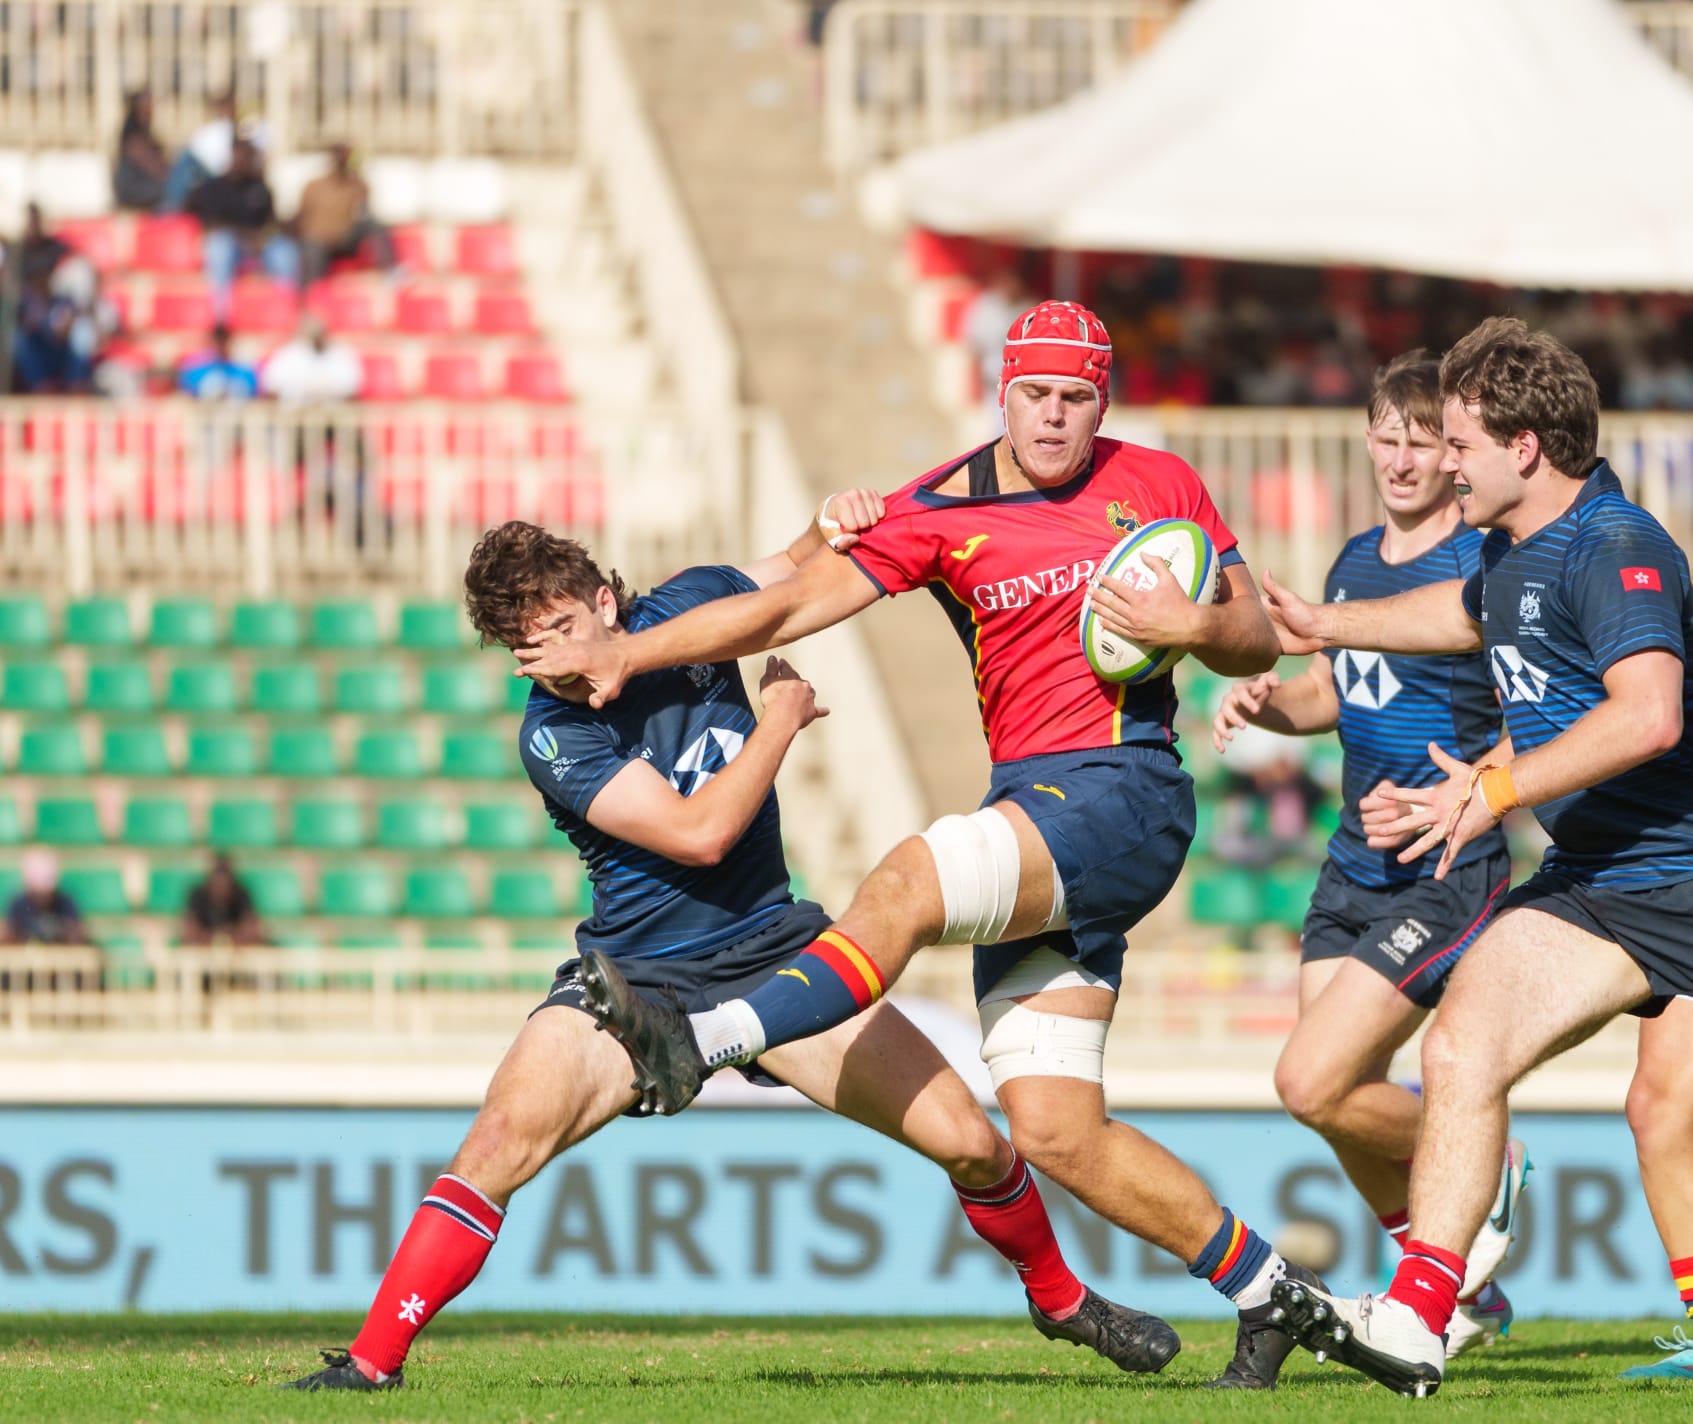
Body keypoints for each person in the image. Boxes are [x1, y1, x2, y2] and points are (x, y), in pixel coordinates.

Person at [515, 299, 1327, 1391]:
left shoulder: (1160, 484)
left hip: (1123, 794)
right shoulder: (942, 505)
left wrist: (1192, 628)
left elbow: (1251, 636)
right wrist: (631, 651)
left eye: (1076, 397)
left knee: (905, 876)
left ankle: (703, 1039)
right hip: (1034, 809)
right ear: (1002, 393)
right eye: (1035, 394)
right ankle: (1272, 1293)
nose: (1053, 416)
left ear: (1103, 399)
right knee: (1052, 1128)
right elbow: (785, 608)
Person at [283, 505, 1179, 1391]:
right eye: (527, 649)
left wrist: (845, 518)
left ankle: (1059, 1303)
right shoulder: (554, 732)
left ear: (606, 602)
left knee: (972, 1146)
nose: (551, 660)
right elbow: (701, 834)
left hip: (777, 955)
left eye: (560, 629)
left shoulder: (694, 608)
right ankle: (369, 1365)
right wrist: (781, 718)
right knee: (497, 1143)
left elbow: (795, 566)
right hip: (638, 979)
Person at [1259, 316, 1693, 1394]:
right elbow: (1456, 618)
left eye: (1456, 441)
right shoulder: (1505, 550)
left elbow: (1648, 717)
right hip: (1604, 876)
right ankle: (1417, 1316)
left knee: (1665, 1110)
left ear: (1524, 448)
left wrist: (1492, 783)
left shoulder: (1616, 546)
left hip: (1685, 869)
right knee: (1461, 1046)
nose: (1443, 461)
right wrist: (1325, 619)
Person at [1211, 351, 1524, 1360]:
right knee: (1338, 1104)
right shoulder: (1352, 562)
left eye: (1421, 439)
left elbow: (1539, 715)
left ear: (1453, 453)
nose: (1398, 456)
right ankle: (1460, 1288)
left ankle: (1492, 1156)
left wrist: (1456, 795)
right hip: (1351, 864)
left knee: (1311, 1080)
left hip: (1443, 863)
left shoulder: (1483, 568)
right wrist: (1270, 702)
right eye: (1384, 434)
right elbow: (1340, 695)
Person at [186, 137, 299, 320]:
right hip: (231, 246)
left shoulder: (259, 187)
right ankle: (220, 316)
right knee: (219, 246)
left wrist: (264, 237)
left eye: (251, 156)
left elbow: (271, 223)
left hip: (258, 246)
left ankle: (285, 313)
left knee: (284, 250)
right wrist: (244, 236)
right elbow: (211, 224)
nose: (248, 160)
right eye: (244, 155)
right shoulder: (213, 187)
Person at [295, 142, 398, 288]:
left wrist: (356, 171)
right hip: (318, 242)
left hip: (344, 239)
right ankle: (310, 296)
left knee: (372, 223)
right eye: (340, 156)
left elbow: (365, 207)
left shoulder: (354, 185)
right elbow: (301, 217)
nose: (342, 160)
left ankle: (391, 270)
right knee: (312, 251)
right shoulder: (314, 186)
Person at [259, 312, 362, 405]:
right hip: (294, 417)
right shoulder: (289, 354)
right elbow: (271, 385)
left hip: (334, 416)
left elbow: (351, 388)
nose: (314, 334)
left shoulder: (341, 353)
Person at [4, 850, 88, 946]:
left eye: (45, 875)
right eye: (36, 873)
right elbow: (8, 939)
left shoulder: (65, 902)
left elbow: (79, 937)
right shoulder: (18, 903)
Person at [182, 853, 267, 947]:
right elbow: (189, 933)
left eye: (224, 885)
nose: (221, 889)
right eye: (217, 883)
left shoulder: (241, 894)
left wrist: (227, 938)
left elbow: (251, 931)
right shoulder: (197, 895)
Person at [113, 88, 170, 211]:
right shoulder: (132, 137)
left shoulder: (146, 134)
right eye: (147, 107)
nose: (151, 111)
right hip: (132, 189)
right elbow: (153, 166)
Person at [178, 324, 257, 401]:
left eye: (225, 339)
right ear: (211, 341)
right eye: (218, 339)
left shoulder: (245, 372)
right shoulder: (194, 371)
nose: (221, 344)